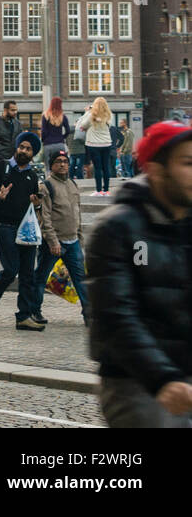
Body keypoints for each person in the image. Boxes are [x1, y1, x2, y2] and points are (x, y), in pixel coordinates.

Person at [87, 121, 192, 427]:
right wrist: (163, 379)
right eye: (187, 163)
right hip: (139, 387)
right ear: (158, 170)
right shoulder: (117, 228)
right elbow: (117, 315)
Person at [0, 132, 46, 331]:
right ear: (16, 147)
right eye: (22, 147)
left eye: (28, 149)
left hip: (26, 229)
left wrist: (37, 204)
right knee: (11, 268)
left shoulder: (32, 176)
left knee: (27, 274)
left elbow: (35, 204)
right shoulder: (1, 167)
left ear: (33, 154)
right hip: (4, 226)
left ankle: (23, 316)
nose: (24, 151)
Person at [32, 149, 87, 326]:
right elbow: (45, 216)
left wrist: (79, 236)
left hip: (73, 241)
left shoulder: (72, 184)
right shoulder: (46, 186)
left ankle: (89, 313)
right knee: (41, 277)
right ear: (51, 165)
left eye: (65, 161)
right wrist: (52, 240)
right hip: (53, 243)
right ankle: (35, 310)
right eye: (58, 161)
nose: (62, 164)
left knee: (81, 279)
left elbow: (77, 212)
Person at [77, 97, 115, 197]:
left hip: (93, 144)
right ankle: (106, 191)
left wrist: (87, 111)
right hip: (106, 143)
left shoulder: (91, 115)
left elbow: (82, 126)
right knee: (106, 167)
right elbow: (110, 126)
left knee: (97, 168)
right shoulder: (109, 115)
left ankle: (98, 191)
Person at [40, 97, 70, 162]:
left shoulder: (45, 116)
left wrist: (43, 140)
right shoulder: (63, 117)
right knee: (61, 165)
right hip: (60, 144)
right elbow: (68, 130)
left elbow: (43, 131)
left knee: (48, 167)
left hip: (48, 144)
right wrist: (62, 137)